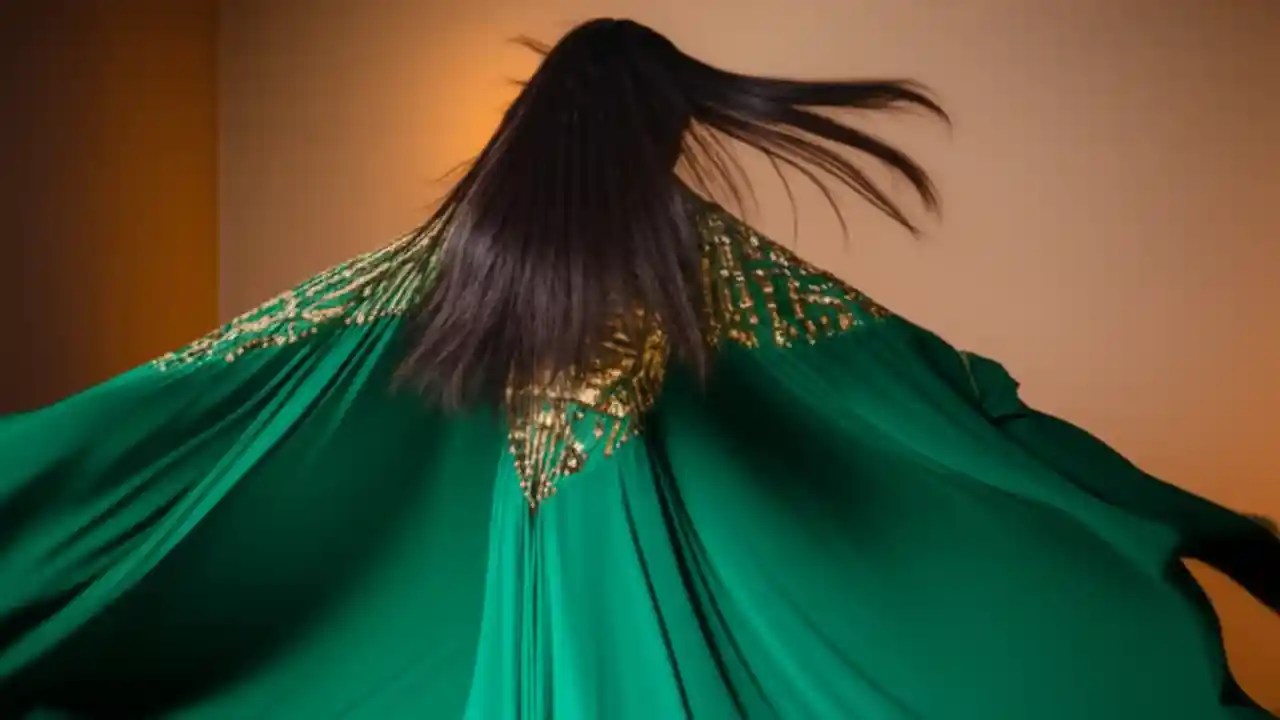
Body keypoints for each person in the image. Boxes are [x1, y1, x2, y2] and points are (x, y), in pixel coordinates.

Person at [1, 17, 1276, 720]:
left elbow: (235, 367)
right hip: (615, 544)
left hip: (554, 552)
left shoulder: (458, 255)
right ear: (655, 123)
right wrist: (1160, 510)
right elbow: (919, 390)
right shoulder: (674, 247)